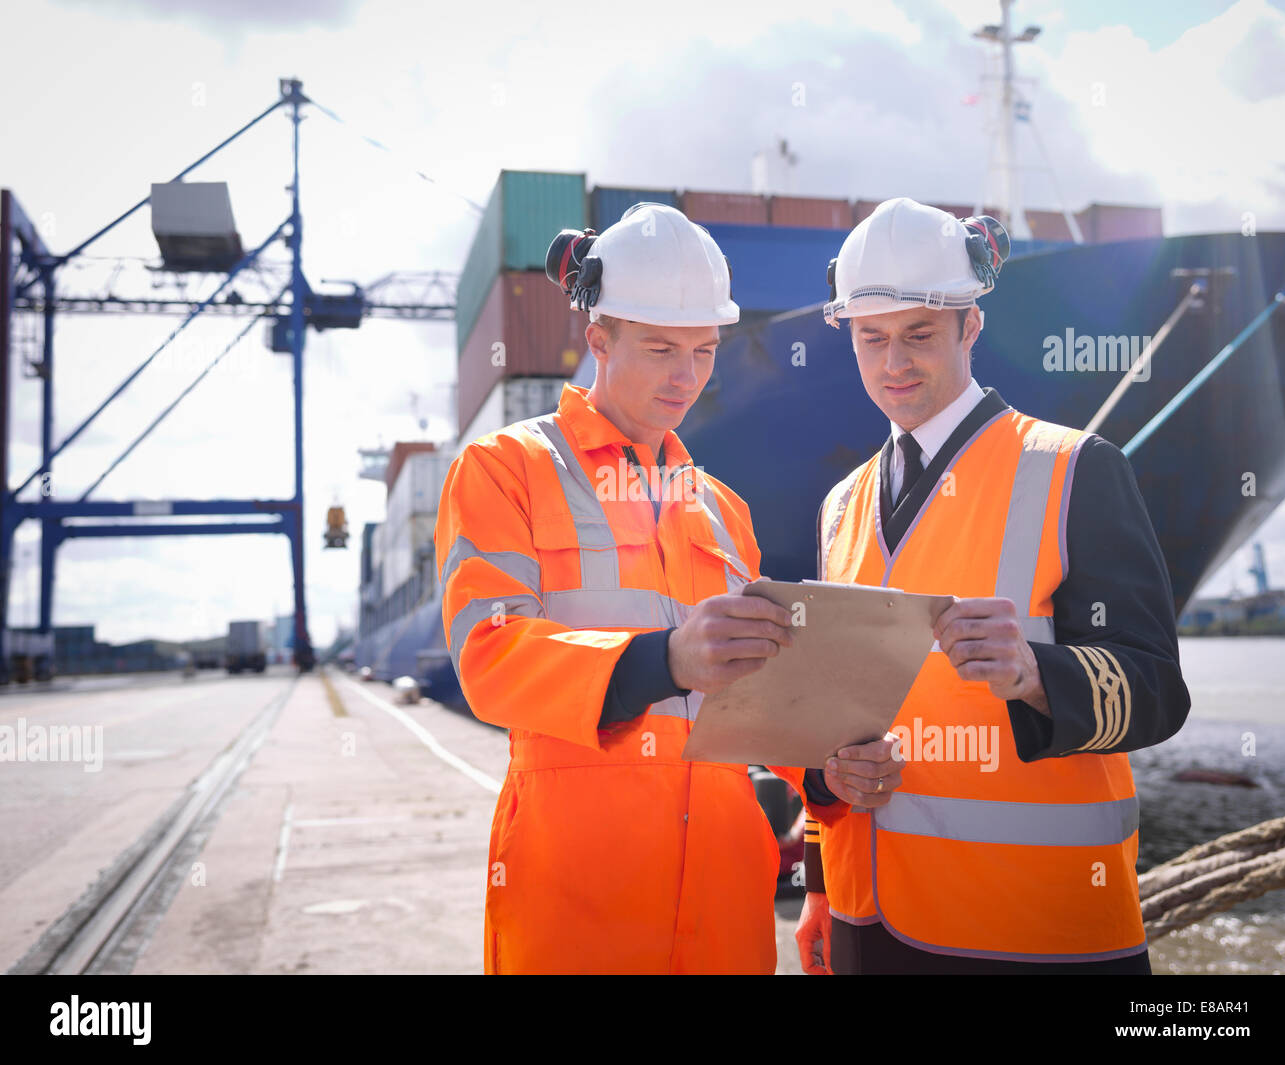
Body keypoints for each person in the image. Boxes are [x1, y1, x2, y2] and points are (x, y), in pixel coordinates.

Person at [780, 197, 1191, 975]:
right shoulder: (843, 504)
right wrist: (823, 878)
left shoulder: (1075, 469)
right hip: (873, 932)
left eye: (919, 335)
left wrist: (1037, 674)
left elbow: (1159, 690)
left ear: (971, 326)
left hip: (1034, 935)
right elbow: (831, 717)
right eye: (873, 339)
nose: (894, 362)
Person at [435, 203, 795, 975]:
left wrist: (829, 779)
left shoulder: (723, 507)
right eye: (662, 347)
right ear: (598, 340)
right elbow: (489, 655)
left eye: (704, 350)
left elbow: (762, 699)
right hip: (580, 910)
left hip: (729, 914)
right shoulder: (506, 470)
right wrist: (664, 660)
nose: (686, 375)